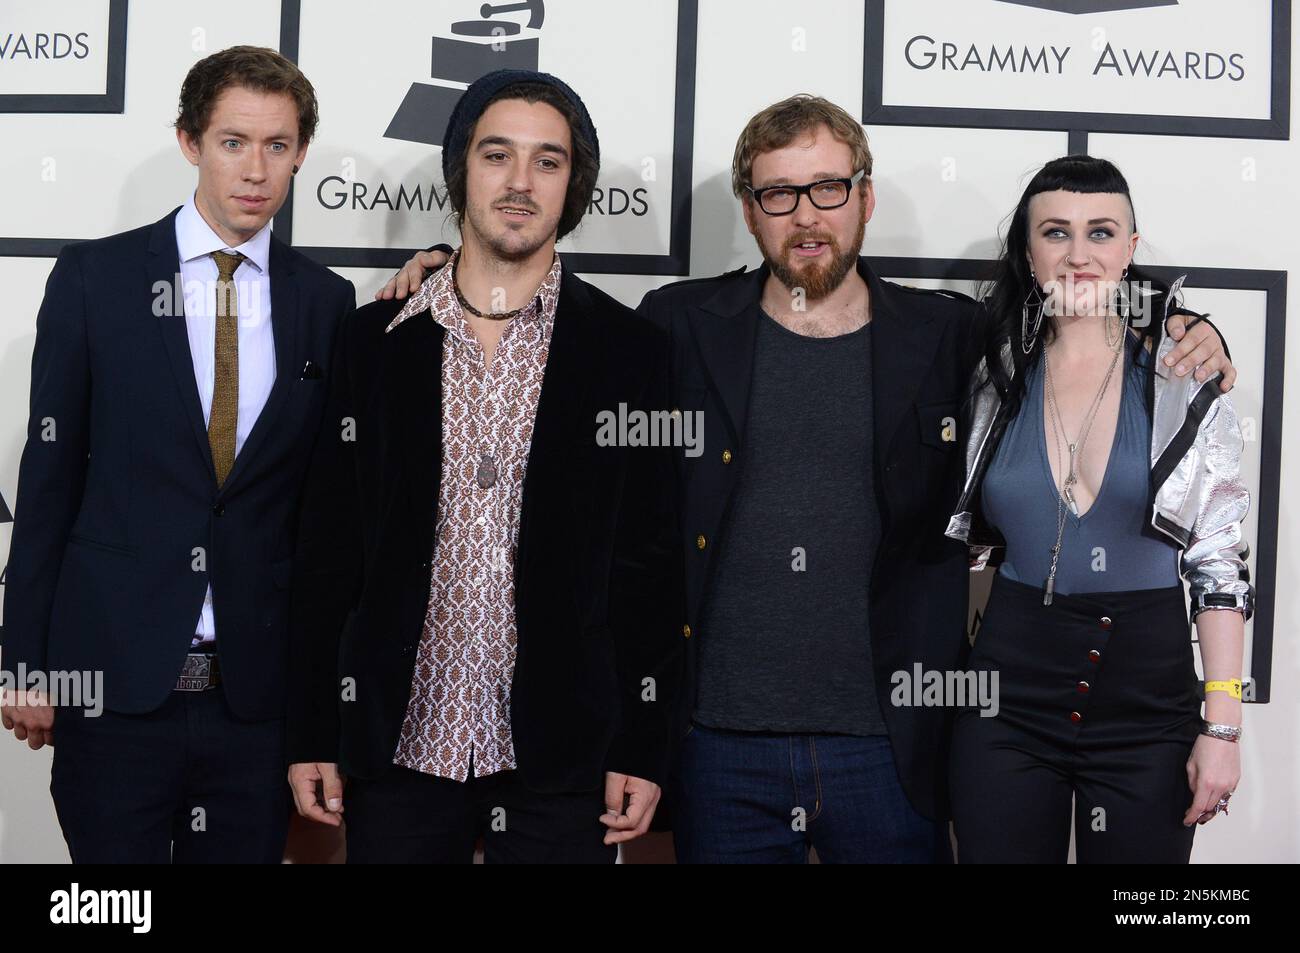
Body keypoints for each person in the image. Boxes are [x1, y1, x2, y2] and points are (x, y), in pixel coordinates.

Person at [380, 97, 1236, 863]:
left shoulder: (951, 337)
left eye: (829, 188)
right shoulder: (677, 326)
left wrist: (1181, 321)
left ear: (864, 197)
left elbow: (1072, 297)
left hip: (893, 743)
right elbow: (543, 310)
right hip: (719, 747)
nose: (807, 215)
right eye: (778, 194)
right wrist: (444, 268)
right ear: (750, 213)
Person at [285, 69, 683, 863]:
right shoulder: (373, 342)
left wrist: (643, 742)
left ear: (574, 185)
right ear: (460, 168)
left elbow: (652, 566)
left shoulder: (630, 353)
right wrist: (311, 730)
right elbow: (327, 556)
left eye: (548, 160)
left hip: (559, 758)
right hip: (397, 751)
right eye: (497, 154)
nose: (520, 182)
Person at [0, 46, 355, 862]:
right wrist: (25, 661)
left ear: (301, 153)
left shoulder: (324, 302)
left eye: (277, 145)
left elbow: (324, 513)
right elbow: (48, 482)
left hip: (256, 709)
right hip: (114, 694)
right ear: (190, 142)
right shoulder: (98, 278)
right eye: (234, 142)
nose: (256, 169)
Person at [945, 155, 1251, 863]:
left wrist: (1224, 726)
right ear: (1029, 249)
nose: (1078, 253)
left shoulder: (1185, 383)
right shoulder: (987, 375)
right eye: (1056, 231)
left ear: (1131, 249)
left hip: (1150, 708)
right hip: (1005, 704)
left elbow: (1217, 566)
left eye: (1101, 232)